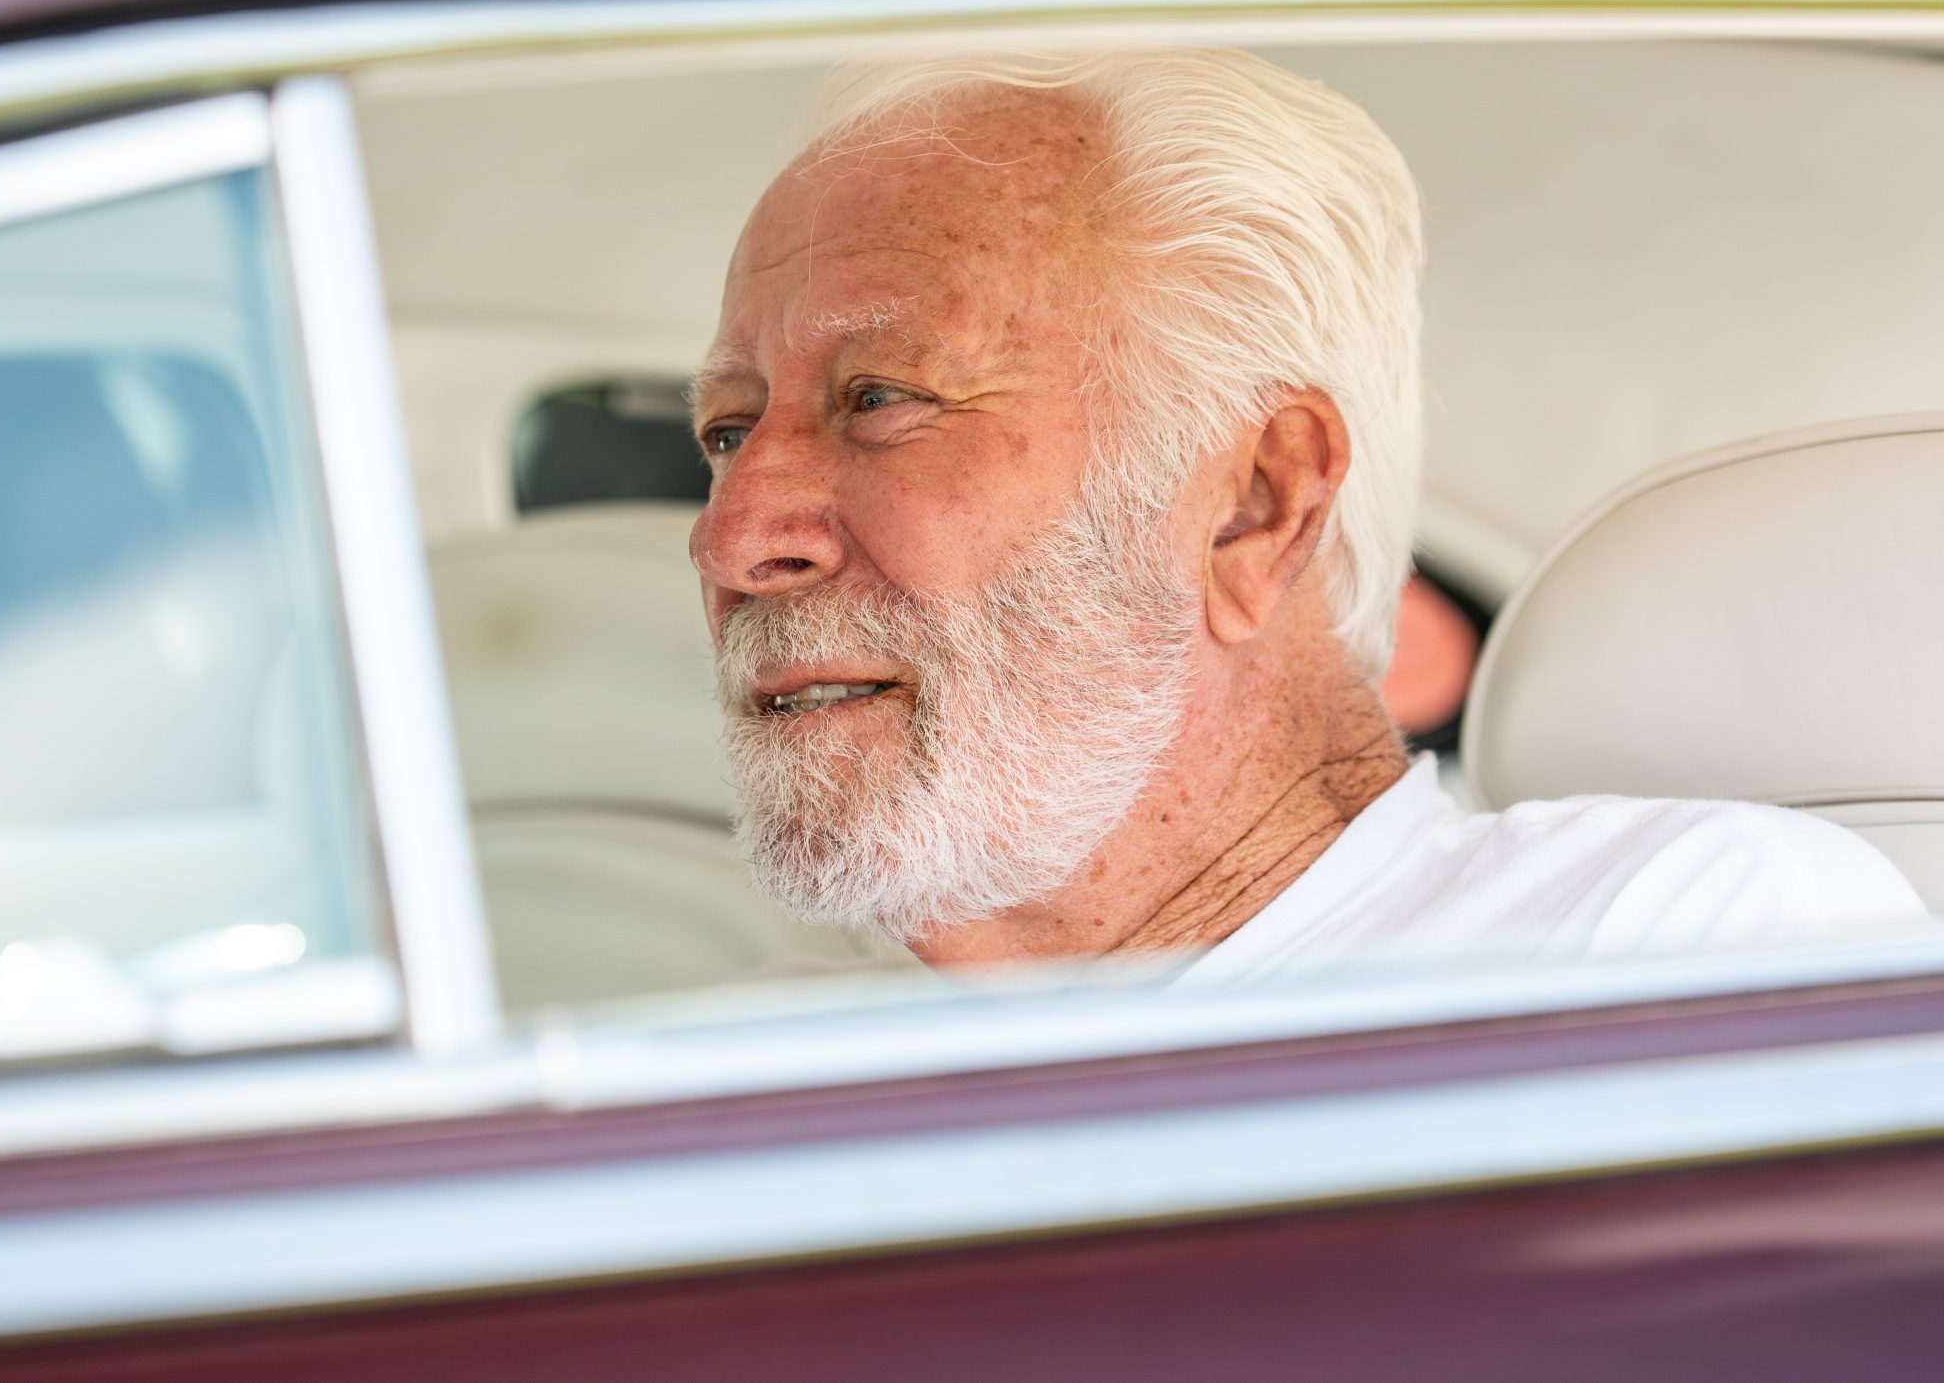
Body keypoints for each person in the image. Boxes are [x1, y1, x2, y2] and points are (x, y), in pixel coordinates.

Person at [686, 48, 1920, 978]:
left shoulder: (1648, 954)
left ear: (1253, 509)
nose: (732, 535)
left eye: (883, 399)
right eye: (726, 432)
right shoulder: (742, 1059)